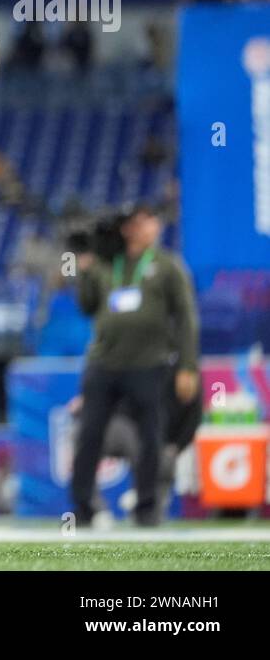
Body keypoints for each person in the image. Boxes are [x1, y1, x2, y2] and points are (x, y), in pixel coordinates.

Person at [70, 201, 200, 527]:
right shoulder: (104, 263)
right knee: (89, 434)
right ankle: (83, 509)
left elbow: (185, 318)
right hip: (104, 362)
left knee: (151, 436)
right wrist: (82, 269)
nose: (148, 226)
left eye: (151, 221)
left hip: (150, 364)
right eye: (140, 221)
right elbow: (86, 307)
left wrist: (188, 366)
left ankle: (146, 507)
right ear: (127, 228)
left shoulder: (168, 265)